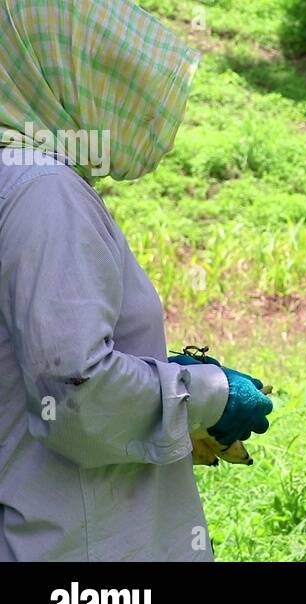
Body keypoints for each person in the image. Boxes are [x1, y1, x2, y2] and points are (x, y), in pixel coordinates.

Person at [0, 0, 273, 561]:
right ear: (62, 78)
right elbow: (75, 389)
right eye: (104, 75)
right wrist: (210, 396)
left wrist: (166, 378)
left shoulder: (17, 180)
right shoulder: (44, 193)